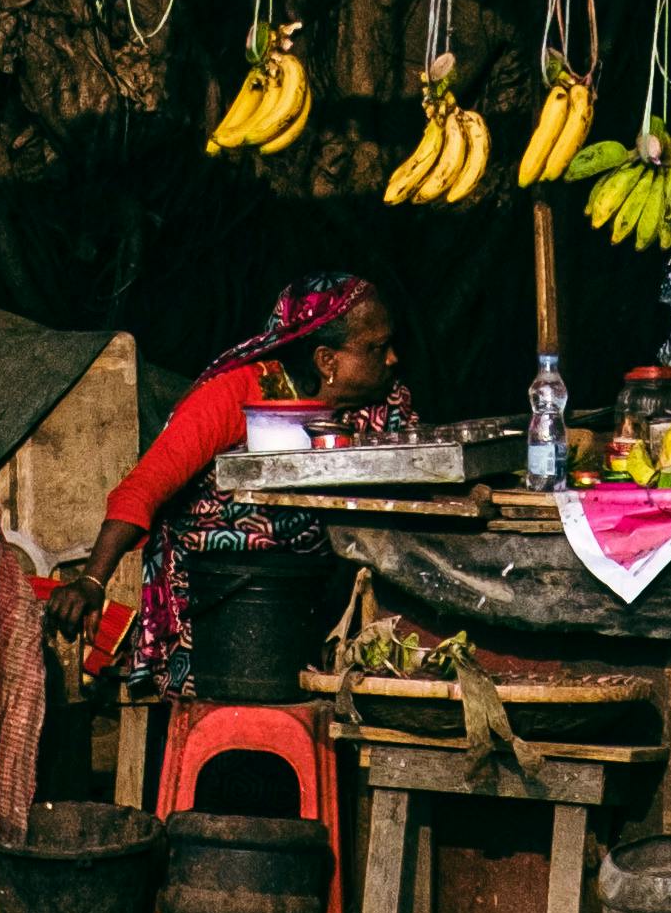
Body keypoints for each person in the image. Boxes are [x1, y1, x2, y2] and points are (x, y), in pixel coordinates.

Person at [45, 274, 413, 696]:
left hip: (321, 603)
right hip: (229, 609)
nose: (393, 359)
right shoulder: (240, 394)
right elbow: (143, 487)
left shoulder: (388, 411)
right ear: (326, 361)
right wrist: (92, 581)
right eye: (376, 348)